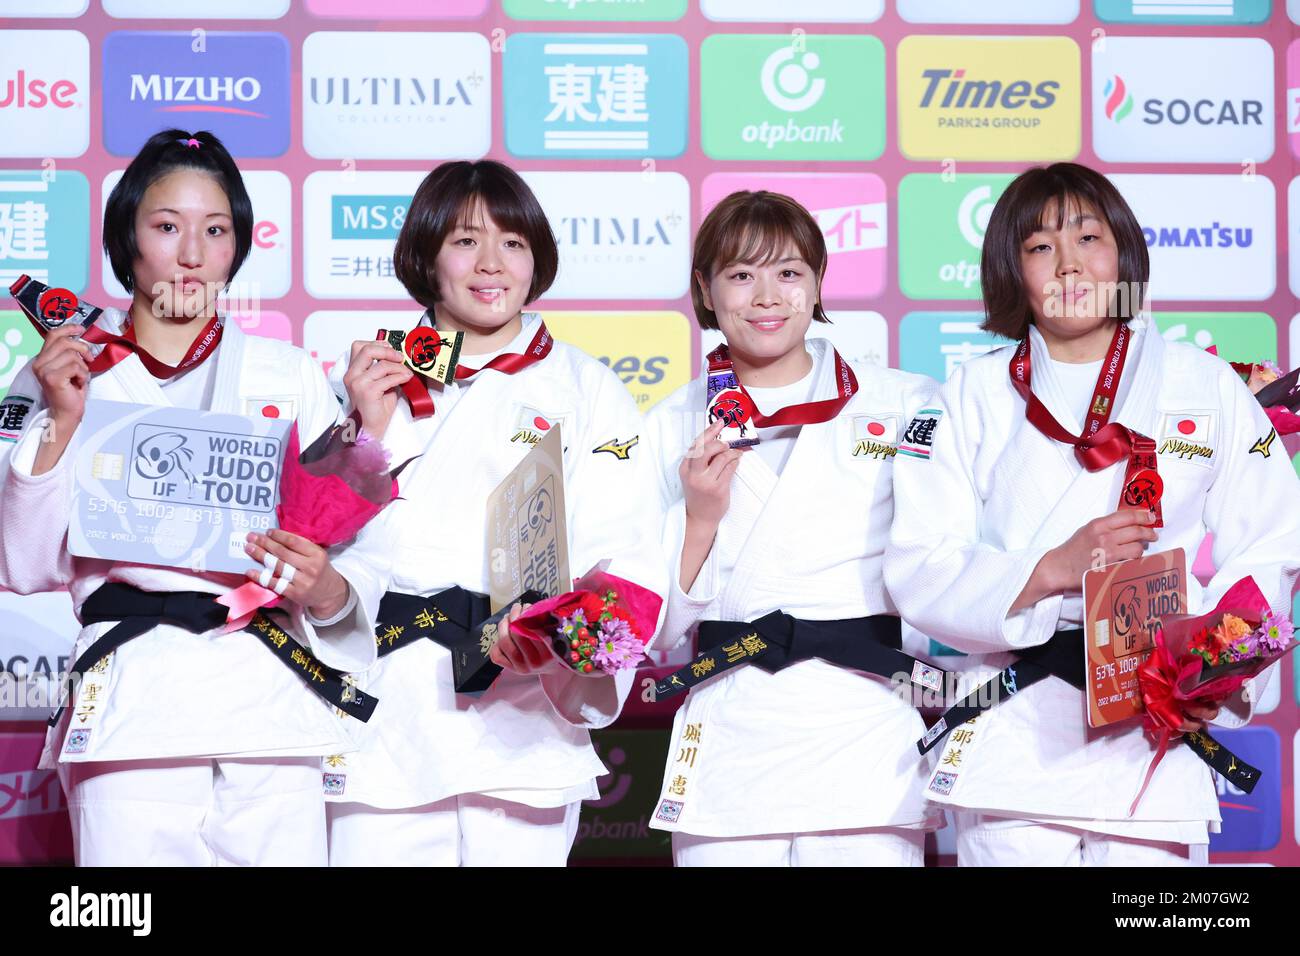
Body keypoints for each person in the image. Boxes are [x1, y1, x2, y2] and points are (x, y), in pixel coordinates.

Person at [885, 162, 1300, 866]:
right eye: (1041, 247)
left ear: (1125, 255)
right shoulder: (970, 392)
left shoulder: (1202, 382)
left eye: (1089, 237)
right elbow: (920, 560)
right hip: (1019, 735)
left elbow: (1273, 540)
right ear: (1011, 271)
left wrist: (1215, 668)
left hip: (1155, 725)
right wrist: (1051, 570)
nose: (1070, 264)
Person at [0, 129, 386, 865]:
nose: (191, 253)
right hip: (134, 704)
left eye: (215, 230)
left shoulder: (289, 372)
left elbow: (351, 553)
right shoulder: (63, 372)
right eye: (166, 226)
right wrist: (62, 420)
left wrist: (329, 586)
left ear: (236, 247)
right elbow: (19, 563)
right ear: (127, 237)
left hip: (270, 701)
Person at [324, 159, 666, 866]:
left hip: (523, 711)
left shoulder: (586, 386)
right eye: (465, 241)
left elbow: (627, 552)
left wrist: (552, 635)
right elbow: (317, 540)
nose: (491, 264)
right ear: (424, 256)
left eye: (512, 242)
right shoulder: (367, 378)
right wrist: (364, 431)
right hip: (386, 710)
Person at [643, 190, 943, 867]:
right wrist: (700, 519)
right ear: (706, 291)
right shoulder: (667, 423)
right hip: (731, 734)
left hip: (864, 732)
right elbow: (651, 631)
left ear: (817, 284)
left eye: (788, 272)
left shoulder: (907, 403)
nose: (766, 296)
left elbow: (945, 566)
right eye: (741, 275)